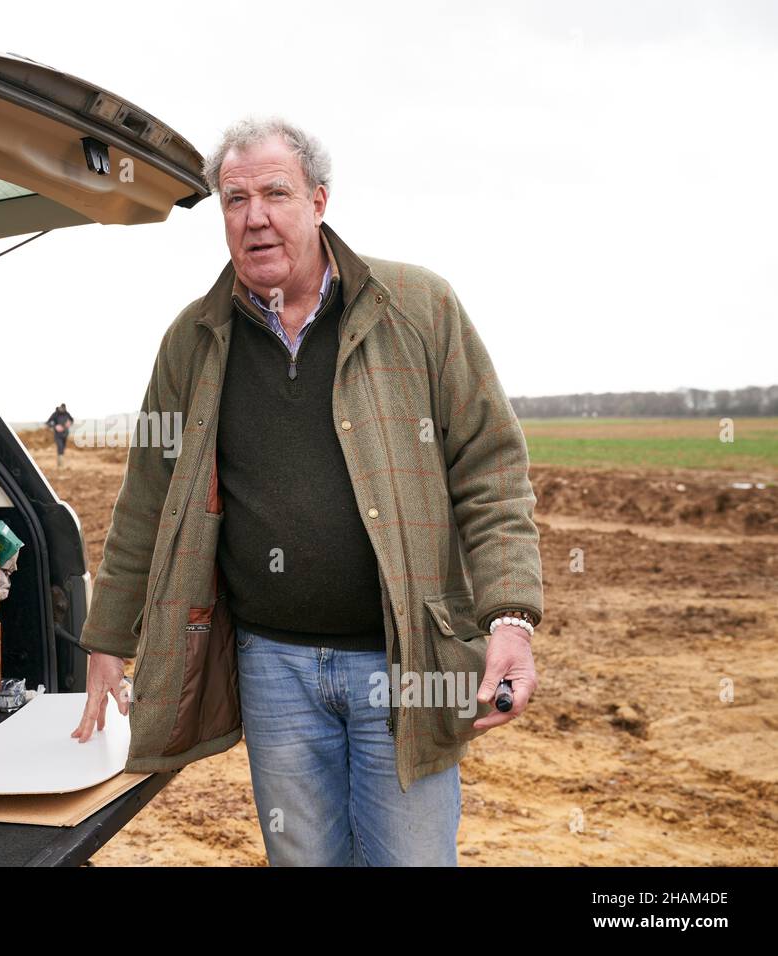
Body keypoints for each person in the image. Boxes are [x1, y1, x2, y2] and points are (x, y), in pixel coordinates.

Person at [70, 116, 543, 866]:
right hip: (273, 669)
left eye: (275, 193)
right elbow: (147, 500)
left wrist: (510, 619)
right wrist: (106, 640)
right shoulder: (192, 341)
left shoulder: (417, 308)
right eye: (234, 199)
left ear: (319, 201)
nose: (254, 216)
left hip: (404, 664)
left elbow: (490, 469)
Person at [45, 403, 74, 468]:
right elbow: (48, 423)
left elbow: (72, 420)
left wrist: (69, 423)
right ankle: (60, 465)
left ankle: (60, 463)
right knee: (60, 447)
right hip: (57, 435)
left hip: (65, 434)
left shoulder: (67, 413)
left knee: (63, 448)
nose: (63, 410)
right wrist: (55, 426)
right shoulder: (55, 414)